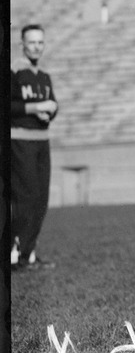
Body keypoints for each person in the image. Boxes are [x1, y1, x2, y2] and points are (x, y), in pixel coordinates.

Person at [10, 24, 59, 270]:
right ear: (22, 44)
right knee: (25, 197)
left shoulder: (44, 76)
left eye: (40, 42)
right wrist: (36, 108)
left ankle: (28, 253)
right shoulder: (14, 72)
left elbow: (53, 105)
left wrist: (49, 112)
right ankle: (13, 251)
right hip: (20, 141)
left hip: (42, 141)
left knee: (41, 199)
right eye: (32, 42)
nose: (36, 47)